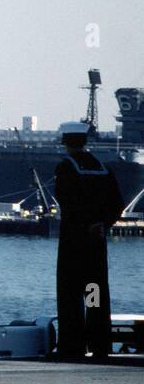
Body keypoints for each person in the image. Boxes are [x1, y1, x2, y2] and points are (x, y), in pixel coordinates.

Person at [54, 121, 125, 362]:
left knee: (70, 291)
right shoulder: (103, 168)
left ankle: (72, 345)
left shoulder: (66, 167)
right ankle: (99, 343)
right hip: (96, 243)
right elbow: (117, 204)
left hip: (74, 242)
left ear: (66, 143)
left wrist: (83, 224)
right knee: (94, 290)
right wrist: (102, 224)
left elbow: (66, 201)